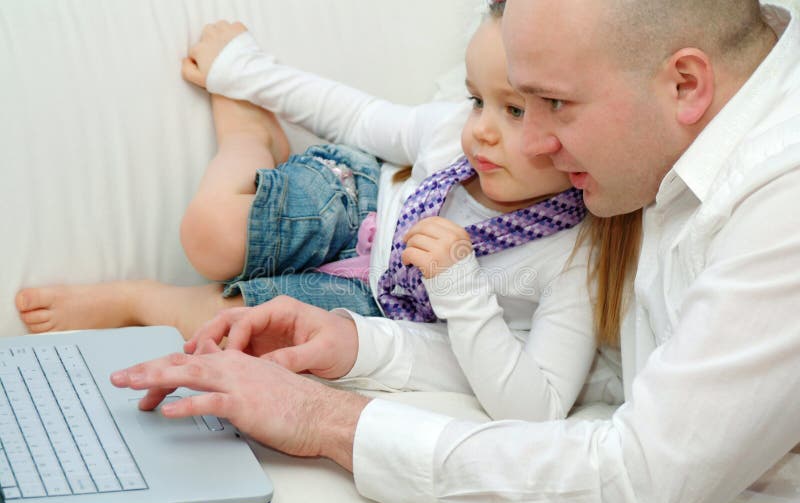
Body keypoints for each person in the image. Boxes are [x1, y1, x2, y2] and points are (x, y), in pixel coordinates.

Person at [111, 0, 800, 503]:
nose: (529, 143)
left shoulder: (780, 207)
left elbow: (635, 488)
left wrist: (326, 420)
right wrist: (357, 346)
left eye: (553, 104)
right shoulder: (647, 157)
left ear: (686, 84)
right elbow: (605, 375)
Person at [17, 2, 634, 422]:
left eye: (518, 111)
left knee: (234, 335)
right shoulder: (450, 135)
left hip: (384, 310)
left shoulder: (574, 255)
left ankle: (136, 299)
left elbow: (540, 405)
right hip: (361, 202)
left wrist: (462, 290)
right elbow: (360, 116)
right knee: (208, 235)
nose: (483, 133)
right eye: (478, 100)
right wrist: (248, 74)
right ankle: (250, 145)